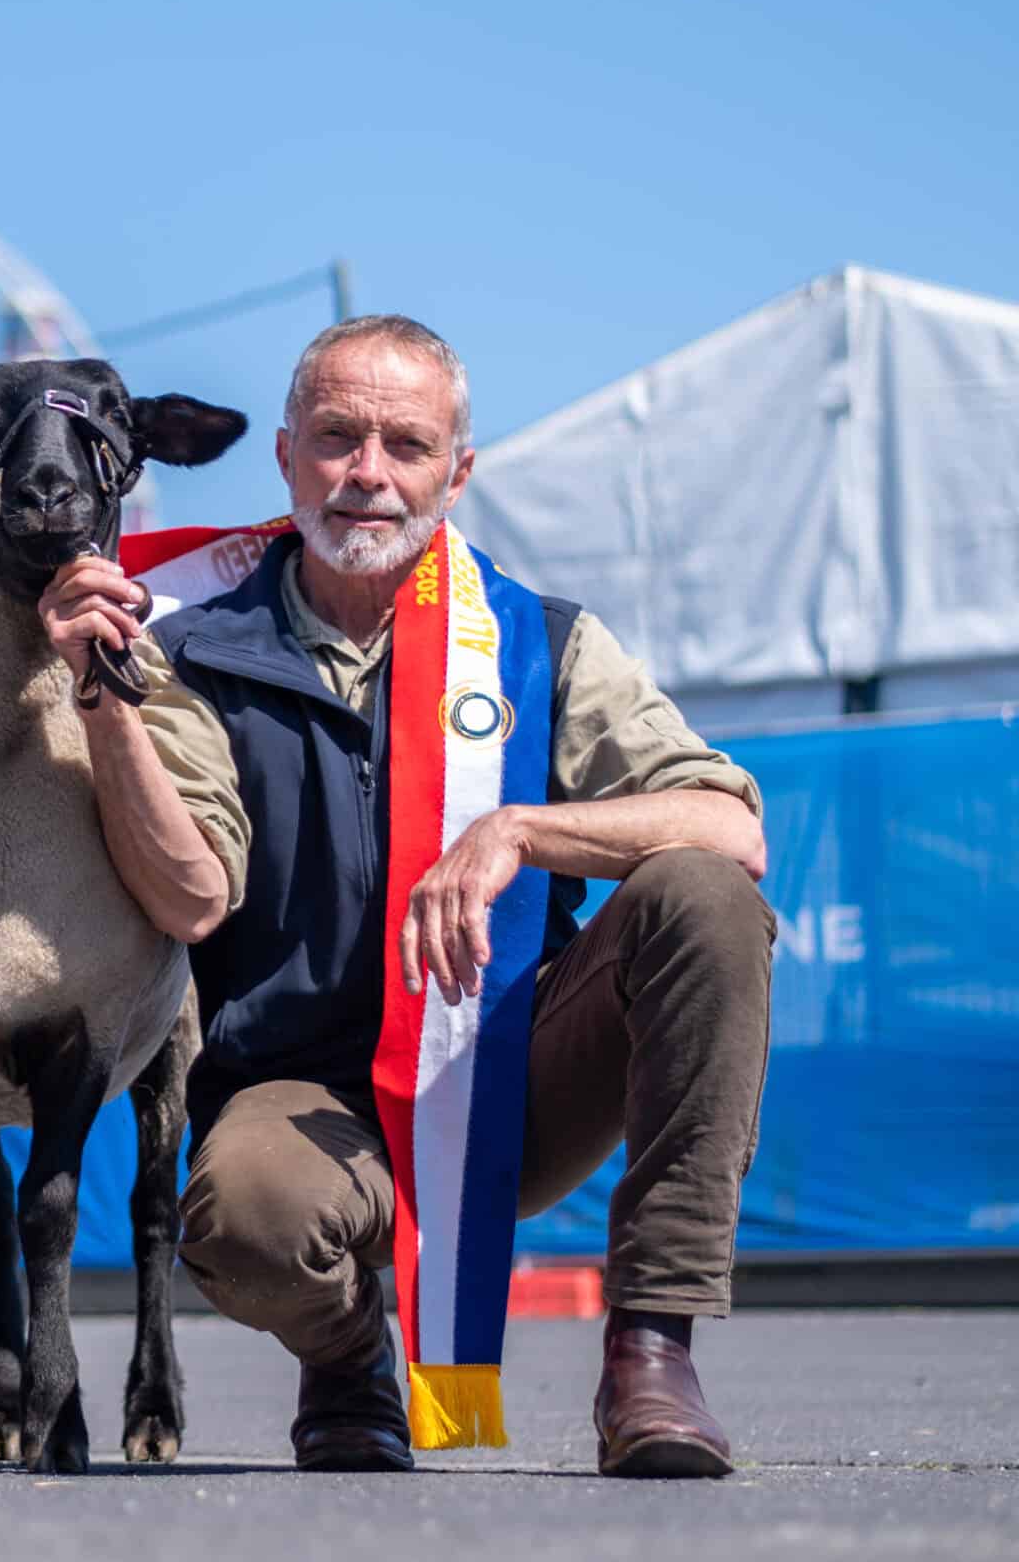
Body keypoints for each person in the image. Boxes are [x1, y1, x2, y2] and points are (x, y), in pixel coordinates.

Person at [37, 315, 772, 1477]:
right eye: (337, 437)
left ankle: (652, 1346)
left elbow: (731, 823)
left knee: (703, 894)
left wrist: (521, 828)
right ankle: (347, 1362)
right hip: (301, 1085)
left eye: (405, 444)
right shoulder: (185, 643)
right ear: (284, 457)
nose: (368, 473)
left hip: (508, 1069)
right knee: (246, 1224)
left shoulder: (539, 645)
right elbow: (186, 897)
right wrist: (105, 703)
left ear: (456, 473)